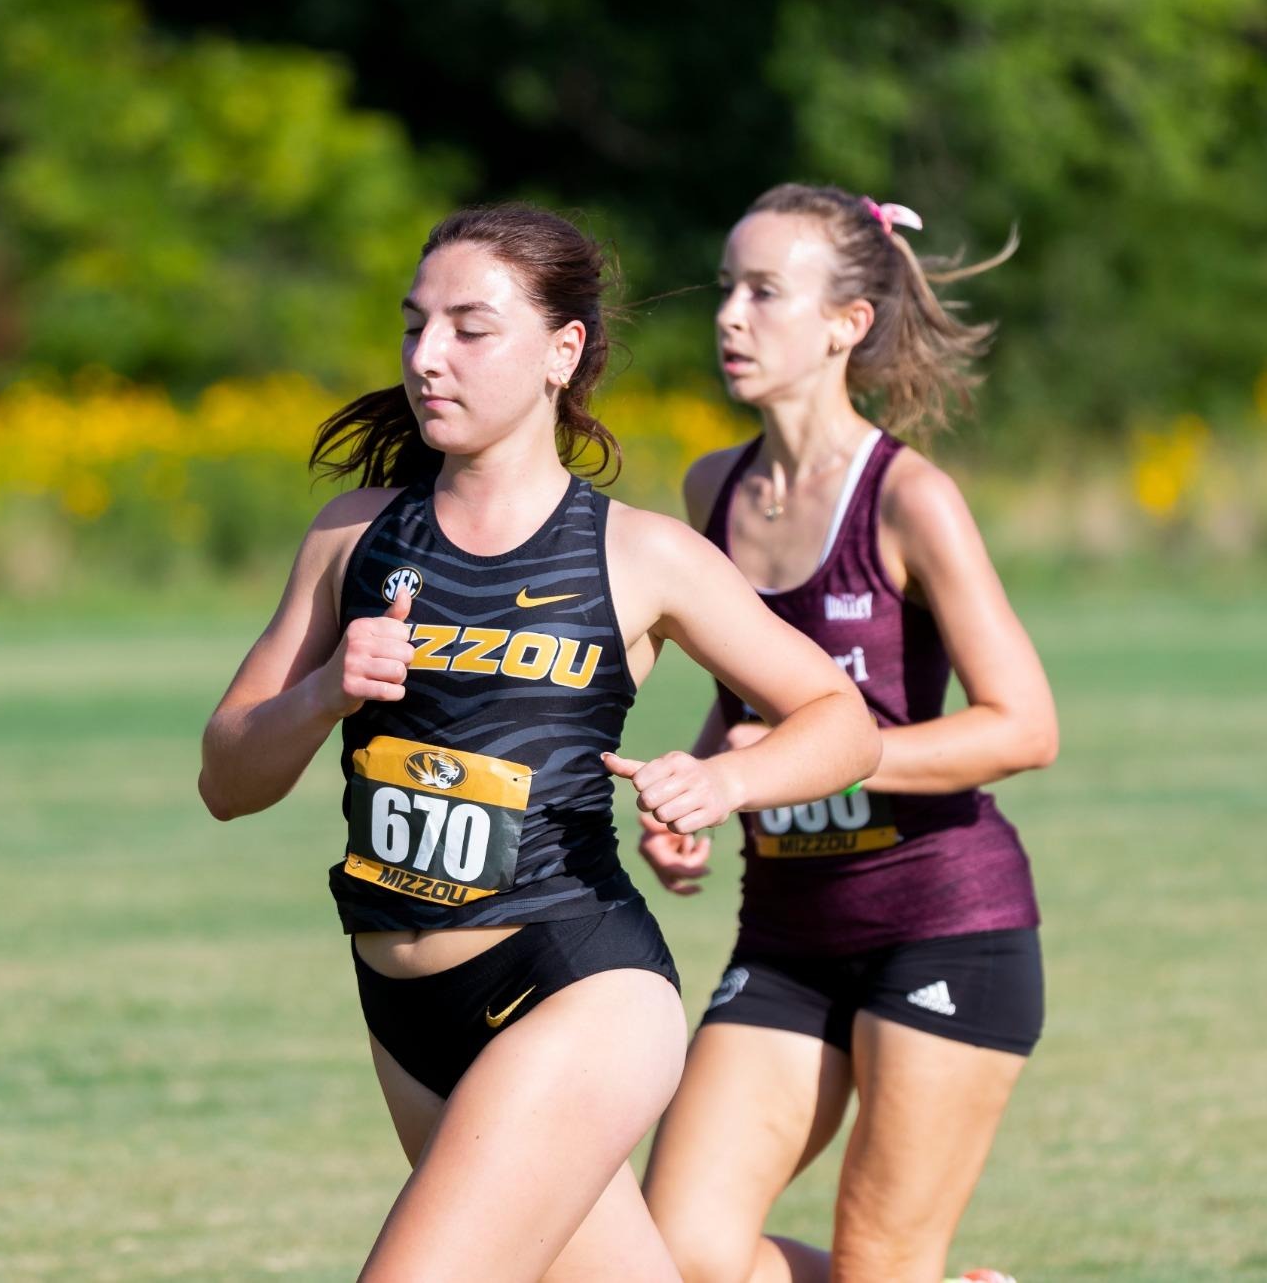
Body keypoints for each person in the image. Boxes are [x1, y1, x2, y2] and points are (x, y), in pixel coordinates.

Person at [198, 203, 880, 1282]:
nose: (428, 356)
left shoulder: (641, 554)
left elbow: (842, 721)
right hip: (404, 1008)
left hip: (574, 980)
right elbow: (226, 778)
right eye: (414, 325)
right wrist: (323, 693)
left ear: (563, 351)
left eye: (470, 329)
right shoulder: (349, 537)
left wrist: (722, 779)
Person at [635, 183, 1058, 1283]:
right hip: (784, 934)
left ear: (845, 324)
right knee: (674, 1255)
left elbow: (1023, 726)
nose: (728, 316)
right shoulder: (713, 490)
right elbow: (751, 699)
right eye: (725, 288)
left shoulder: (909, 500)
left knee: (882, 1263)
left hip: (943, 925)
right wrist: (699, 788)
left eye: (763, 292)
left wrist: (768, 772)